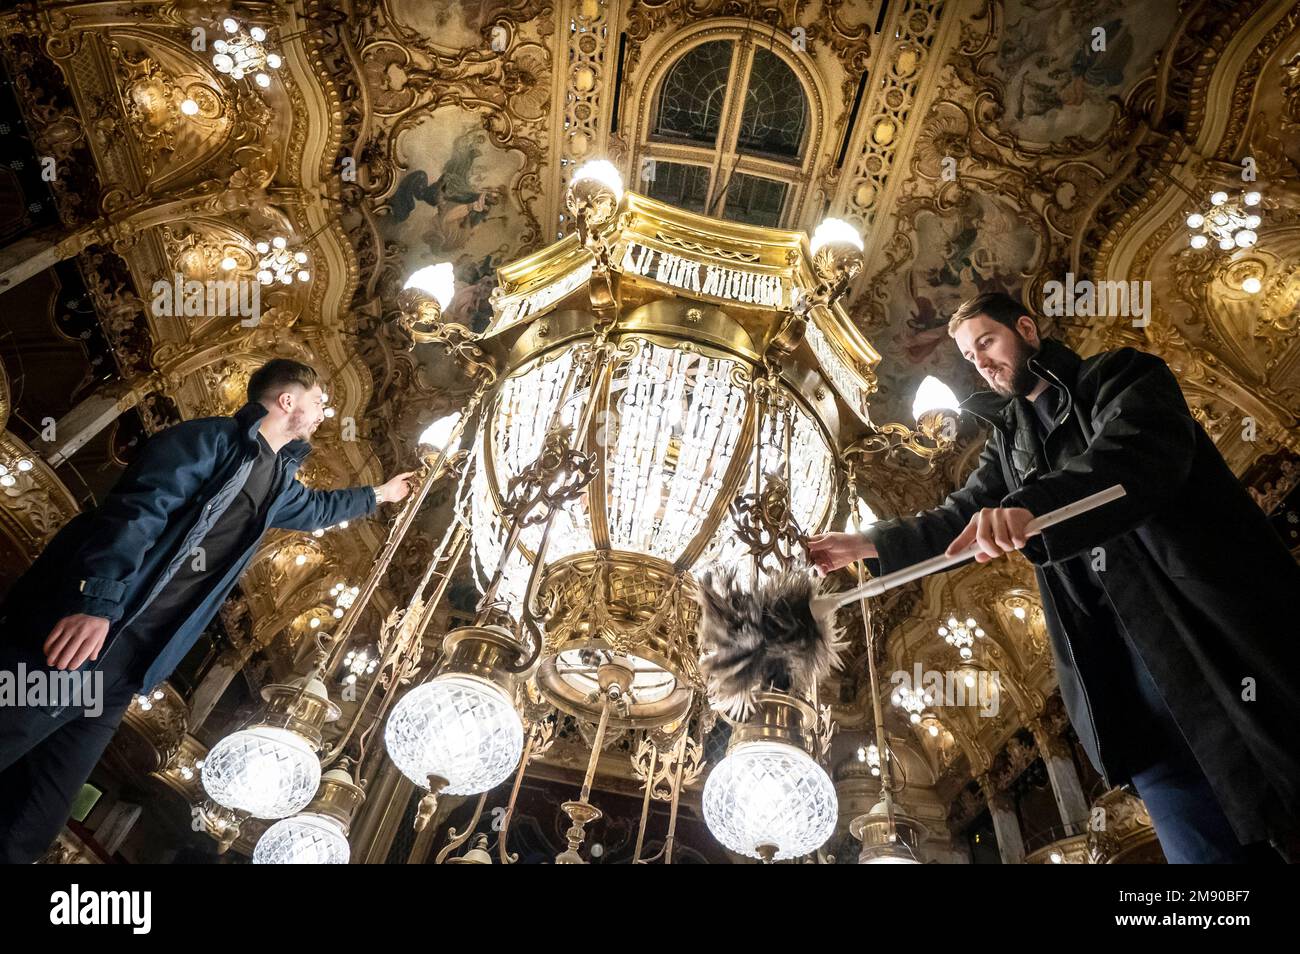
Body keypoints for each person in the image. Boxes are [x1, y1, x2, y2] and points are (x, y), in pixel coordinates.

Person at [808, 291, 1300, 864]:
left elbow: (1134, 455)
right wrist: (867, 542)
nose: (981, 362)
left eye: (987, 342)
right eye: (969, 357)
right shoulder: (1010, 445)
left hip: (1204, 645)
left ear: (1026, 328)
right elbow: (958, 515)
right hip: (1123, 687)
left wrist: (1032, 506)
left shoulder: (1121, 375)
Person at [0, 358, 415, 863]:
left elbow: (319, 510)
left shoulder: (278, 485)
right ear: (288, 400)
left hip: (130, 671)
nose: (326, 410)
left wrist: (383, 493)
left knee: (34, 820)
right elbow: (137, 512)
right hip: (95, 634)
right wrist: (95, 602)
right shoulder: (210, 439)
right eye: (320, 399)